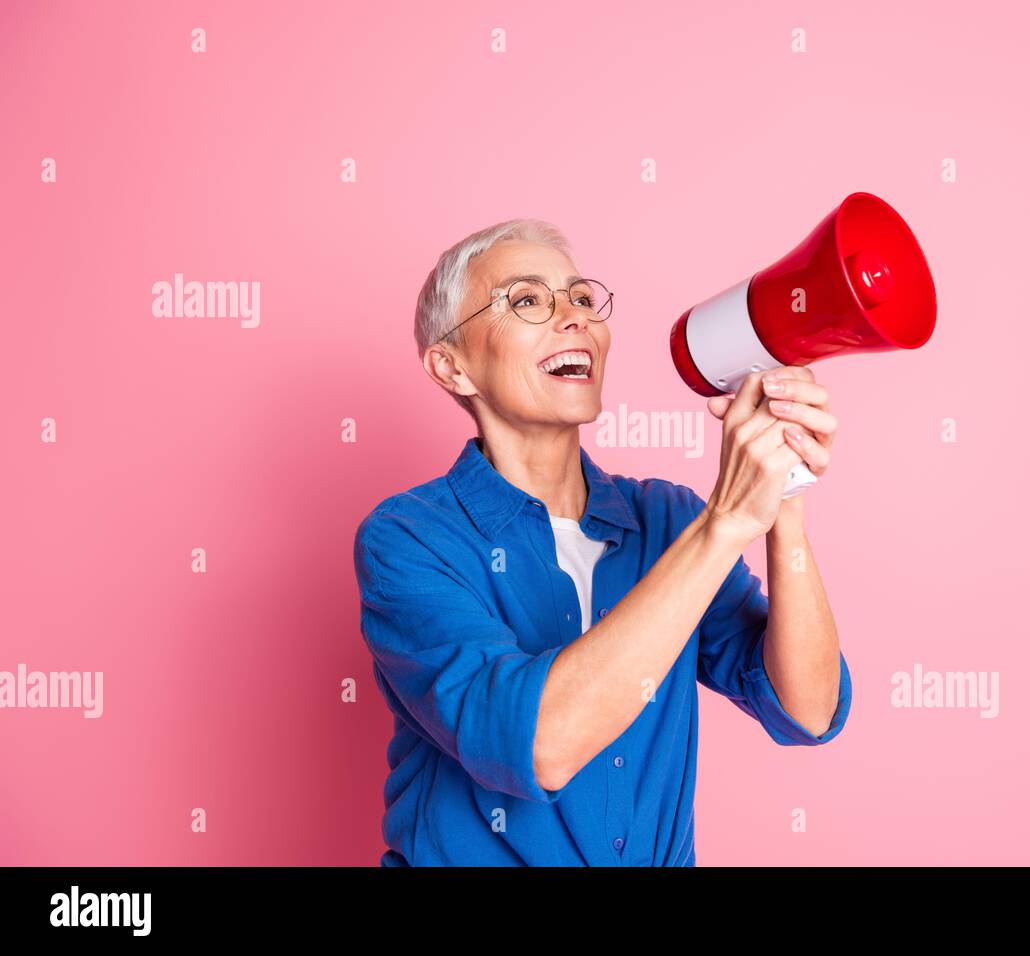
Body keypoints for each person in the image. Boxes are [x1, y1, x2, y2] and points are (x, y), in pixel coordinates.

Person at [352, 218, 852, 865]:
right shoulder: (409, 541)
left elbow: (807, 709)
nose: (573, 318)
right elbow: (541, 744)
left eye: (582, 298)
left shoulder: (667, 520)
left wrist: (781, 498)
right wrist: (725, 524)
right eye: (527, 300)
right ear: (451, 366)